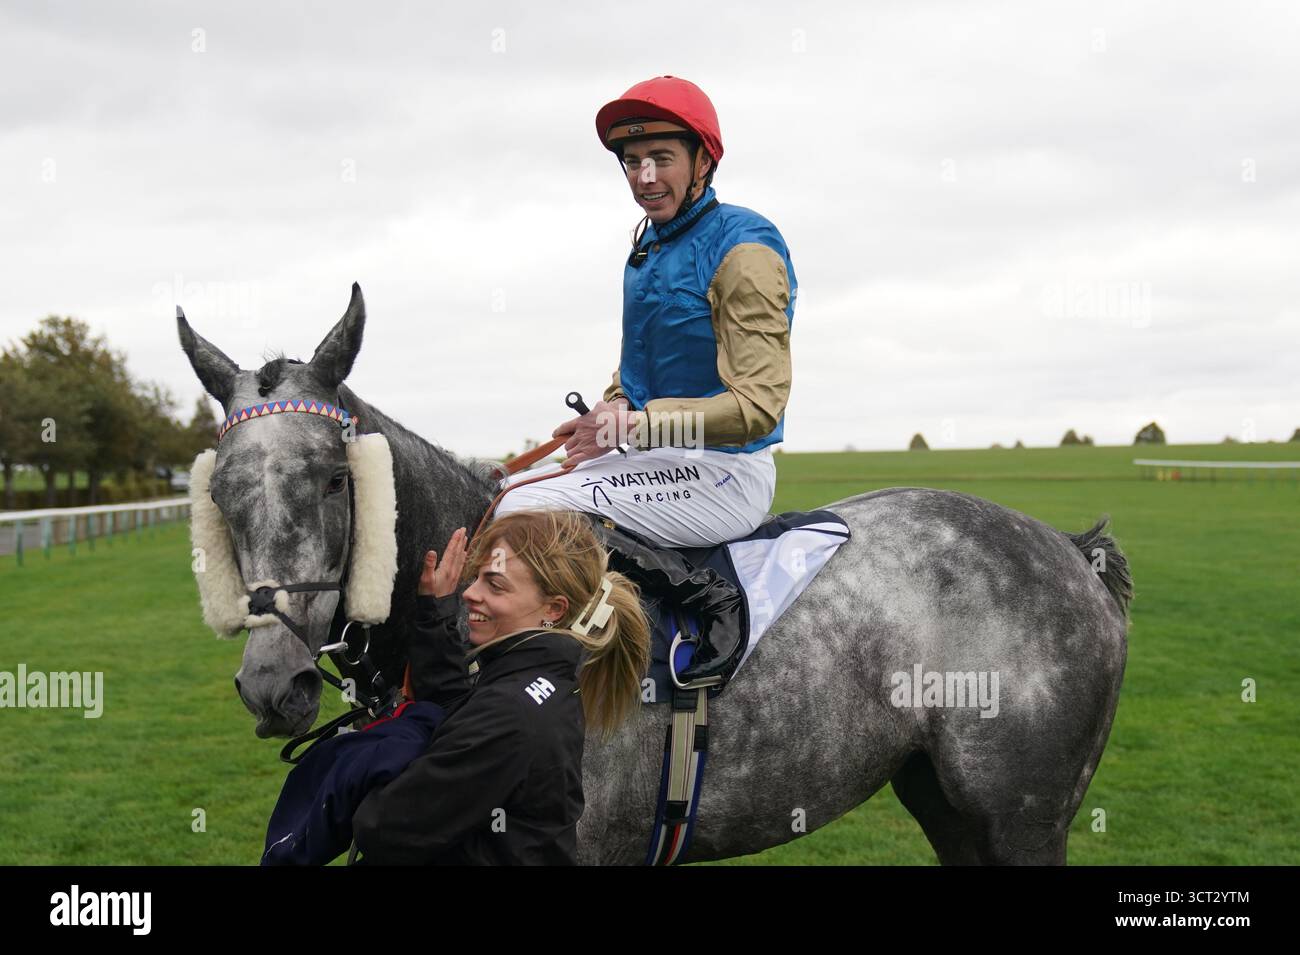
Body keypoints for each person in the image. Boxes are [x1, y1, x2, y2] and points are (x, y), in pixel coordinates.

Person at [491, 74, 798, 688]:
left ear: (702, 160)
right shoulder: (649, 246)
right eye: (632, 162)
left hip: (726, 472)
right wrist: (609, 411)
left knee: (524, 507)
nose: (645, 177)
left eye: (661, 158)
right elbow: (636, 370)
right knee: (496, 491)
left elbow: (758, 407)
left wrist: (634, 425)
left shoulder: (746, 249)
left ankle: (713, 600)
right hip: (658, 457)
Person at [350, 509, 651, 865]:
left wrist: (362, 770)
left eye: (495, 585)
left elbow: (390, 827)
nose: (469, 593)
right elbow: (460, 712)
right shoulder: (541, 675)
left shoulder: (510, 713)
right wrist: (434, 613)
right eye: (475, 577)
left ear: (553, 609)